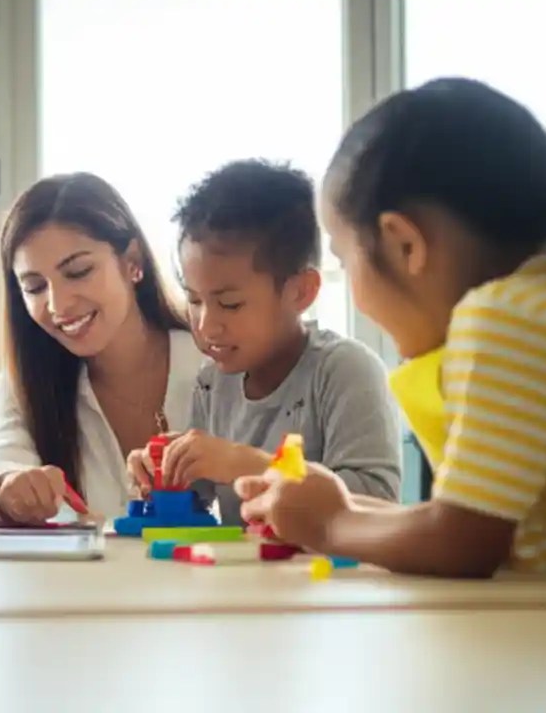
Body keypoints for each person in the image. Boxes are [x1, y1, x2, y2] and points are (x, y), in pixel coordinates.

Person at [238, 78, 546, 580]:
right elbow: (476, 521)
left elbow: (462, 543)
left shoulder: (507, 320)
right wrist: (335, 508)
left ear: (405, 244)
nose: (353, 290)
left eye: (345, 260)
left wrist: (332, 524)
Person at [128, 160, 400, 523]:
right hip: (248, 563)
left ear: (301, 292)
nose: (206, 326)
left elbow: (378, 500)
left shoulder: (345, 370)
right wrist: (166, 471)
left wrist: (247, 464)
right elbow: (198, 497)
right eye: (194, 300)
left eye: (230, 304)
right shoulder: (212, 382)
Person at [0, 172, 205, 524]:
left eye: (78, 272)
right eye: (35, 287)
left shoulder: (211, 366)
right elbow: (1, 464)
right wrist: (8, 486)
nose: (59, 305)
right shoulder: (20, 385)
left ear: (132, 262)